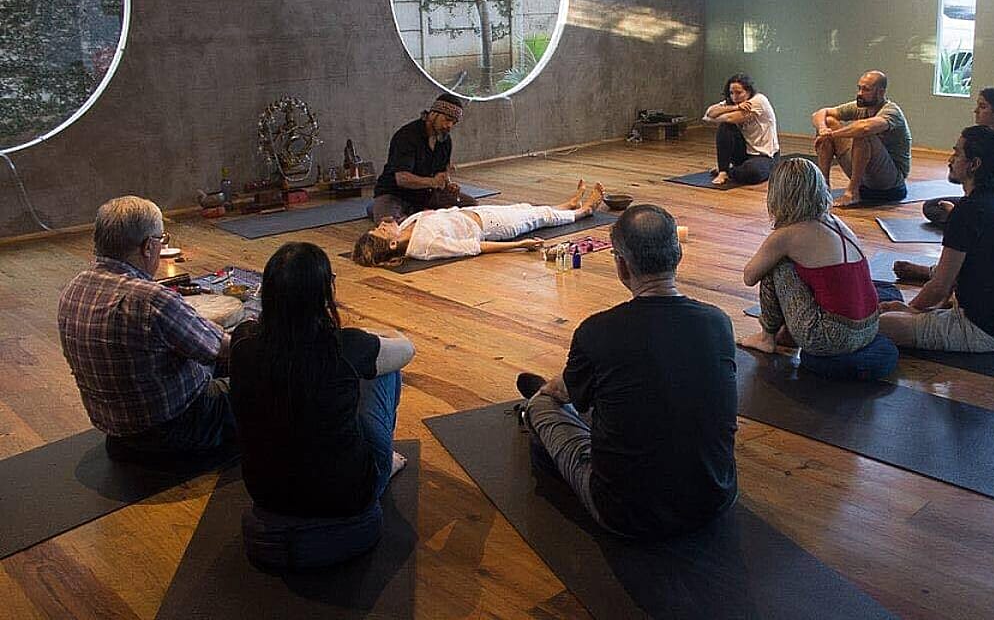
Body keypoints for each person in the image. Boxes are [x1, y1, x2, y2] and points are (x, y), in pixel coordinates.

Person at [515, 204, 738, 538]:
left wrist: (552, 390)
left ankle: (544, 409)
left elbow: (561, 392)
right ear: (677, 257)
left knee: (541, 405)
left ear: (621, 265)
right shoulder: (719, 323)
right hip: (714, 498)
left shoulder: (597, 331)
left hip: (625, 514)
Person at [230, 244, 414, 533]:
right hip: (348, 496)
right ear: (324, 292)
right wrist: (379, 337)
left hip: (266, 494)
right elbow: (407, 349)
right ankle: (383, 465)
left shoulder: (243, 343)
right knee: (384, 371)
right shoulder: (344, 346)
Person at [58, 196, 234, 456]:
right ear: (148, 246)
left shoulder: (73, 290)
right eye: (162, 241)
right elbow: (221, 348)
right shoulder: (152, 300)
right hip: (176, 429)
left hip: (119, 431)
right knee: (267, 375)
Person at [738, 158, 895, 379]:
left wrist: (776, 251)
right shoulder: (836, 221)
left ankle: (766, 338)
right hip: (870, 327)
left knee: (778, 265)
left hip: (832, 338)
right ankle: (787, 334)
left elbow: (749, 276)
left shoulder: (788, 234)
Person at [879, 126, 994, 352]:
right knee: (891, 311)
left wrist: (909, 310)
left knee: (877, 325)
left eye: (957, 154)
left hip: (982, 331)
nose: (950, 159)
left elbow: (940, 286)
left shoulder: (967, 211)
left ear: (974, 164)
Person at [353, 181, 604, 266]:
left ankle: (567, 204)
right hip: (491, 227)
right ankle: (583, 211)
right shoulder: (426, 246)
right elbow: (474, 246)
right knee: (537, 218)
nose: (382, 224)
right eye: (381, 231)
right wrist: (519, 245)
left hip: (478, 214)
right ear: (393, 242)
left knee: (524, 210)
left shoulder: (406, 224)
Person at [811, 70, 912, 206]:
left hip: (890, 181)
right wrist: (823, 129)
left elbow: (865, 128)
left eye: (866, 90)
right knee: (829, 121)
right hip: (867, 174)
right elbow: (820, 113)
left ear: (881, 92)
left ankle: (852, 192)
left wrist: (831, 135)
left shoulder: (892, 112)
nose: (860, 93)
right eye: (859, 88)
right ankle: (824, 187)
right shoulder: (861, 106)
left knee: (863, 134)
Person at [372, 93, 476, 222]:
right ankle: (380, 207)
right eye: (447, 119)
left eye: (454, 122)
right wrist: (433, 182)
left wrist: (448, 184)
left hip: (424, 193)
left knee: (471, 207)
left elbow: (441, 172)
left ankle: (418, 212)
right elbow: (402, 179)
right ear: (433, 114)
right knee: (391, 224)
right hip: (395, 193)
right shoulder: (406, 136)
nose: (449, 126)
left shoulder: (445, 139)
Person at [923, 86, 994, 224]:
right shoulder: (986, 137)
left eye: (982, 107)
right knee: (931, 207)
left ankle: (963, 220)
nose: (976, 111)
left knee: (936, 208)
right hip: (987, 200)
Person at [702, 72, 780, 185]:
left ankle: (730, 171)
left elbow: (730, 118)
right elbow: (709, 112)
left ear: (748, 91)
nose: (734, 97)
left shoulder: (759, 101)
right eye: (731, 93)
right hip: (744, 153)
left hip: (765, 155)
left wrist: (716, 117)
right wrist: (736, 107)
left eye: (739, 93)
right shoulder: (735, 103)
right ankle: (723, 171)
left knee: (753, 173)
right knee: (725, 127)